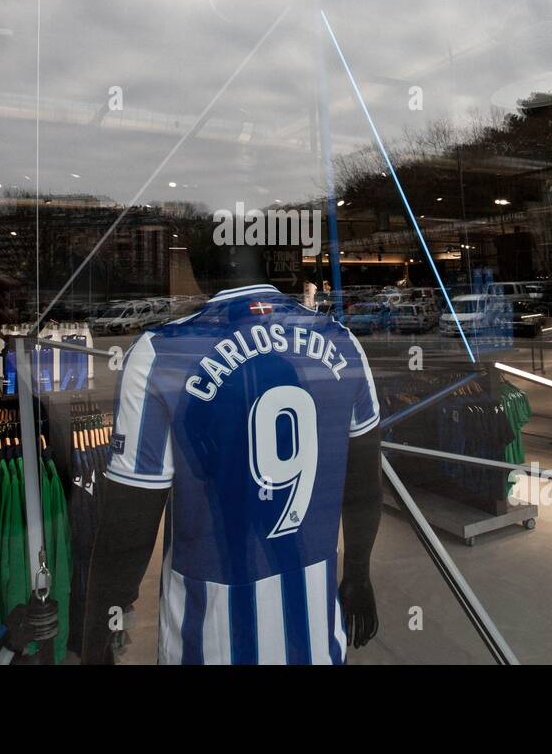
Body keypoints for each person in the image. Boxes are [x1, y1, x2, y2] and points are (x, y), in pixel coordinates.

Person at [82, 248, 382, 664]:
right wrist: (358, 576)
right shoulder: (343, 343)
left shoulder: (162, 354)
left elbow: (128, 529)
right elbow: (365, 487)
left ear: (199, 266)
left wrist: (99, 632)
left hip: (206, 642)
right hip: (316, 639)